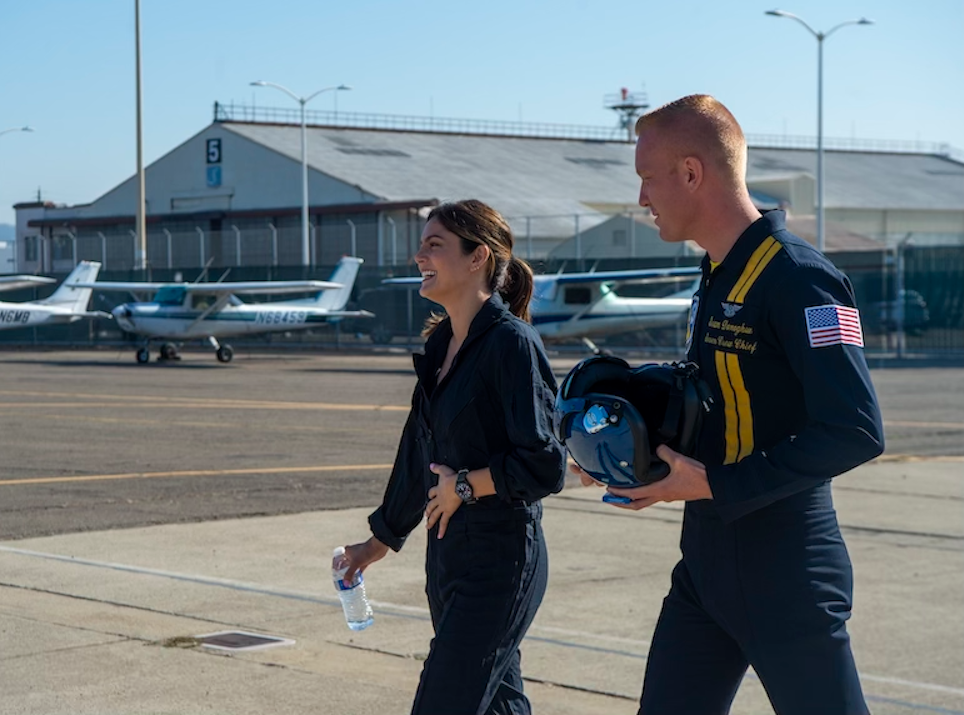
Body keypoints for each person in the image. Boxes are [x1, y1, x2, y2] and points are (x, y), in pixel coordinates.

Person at [576, 95, 885, 714]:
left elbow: (855, 428)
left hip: (785, 566)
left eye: (647, 178)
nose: (641, 198)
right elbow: (719, 399)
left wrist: (717, 484)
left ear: (692, 173)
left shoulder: (801, 278)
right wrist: (632, 449)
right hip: (706, 563)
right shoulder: (717, 271)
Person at [342, 199, 566, 715]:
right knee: (499, 706)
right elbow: (415, 454)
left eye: (434, 244)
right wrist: (378, 541)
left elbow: (545, 464)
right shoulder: (441, 345)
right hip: (447, 558)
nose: (419, 255)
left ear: (477, 257)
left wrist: (465, 485)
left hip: (500, 558)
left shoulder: (511, 344)